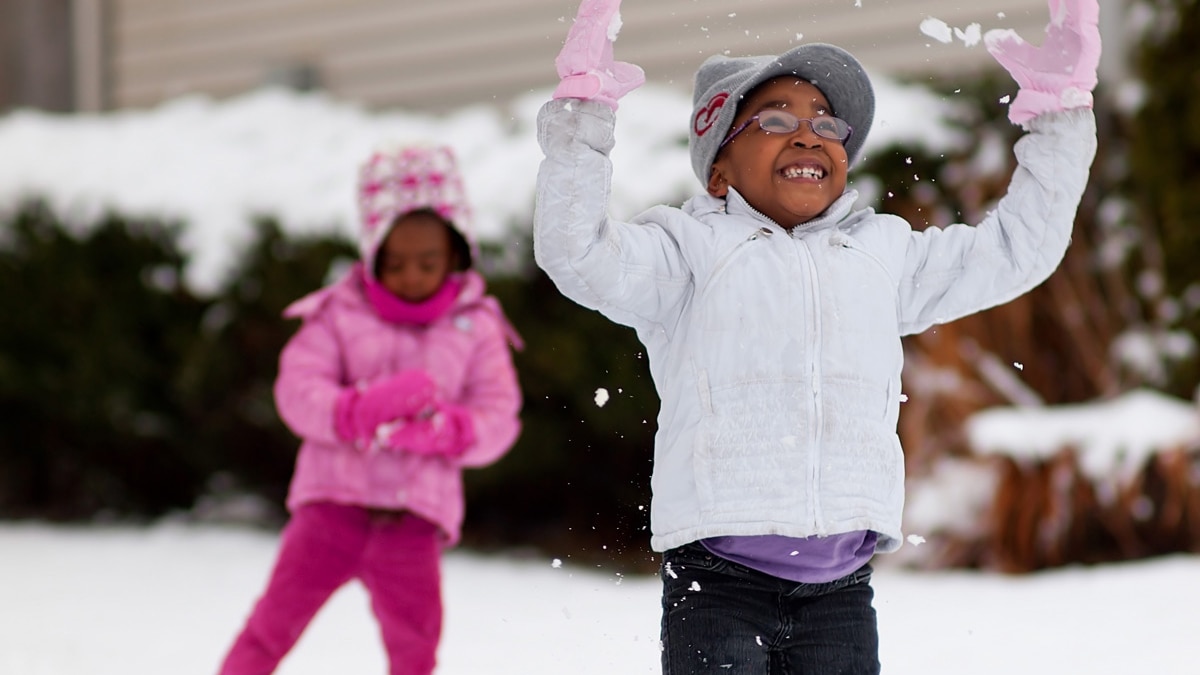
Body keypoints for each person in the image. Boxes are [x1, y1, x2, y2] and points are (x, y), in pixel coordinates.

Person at [534, 0, 1099, 672]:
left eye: (827, 124)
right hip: (716, 582)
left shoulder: (885, 256)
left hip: (841, 592)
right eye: (774, 120)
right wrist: (582, 113)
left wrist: (1061, 113)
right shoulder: (686, 254)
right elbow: (576, 251)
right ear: (719, 168)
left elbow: (1017, 250)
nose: (808, 135)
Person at [218, 144, 523, 675]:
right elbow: (297, 388)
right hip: (329, 512)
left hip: (413, 523)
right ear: (372, 252)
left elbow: (499, 414)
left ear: (457, 253)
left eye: (427, 262)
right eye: (395, 262)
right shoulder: (337, 313)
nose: (411, 276)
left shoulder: (477, 326)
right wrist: (351, 412)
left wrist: (450, 431)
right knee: (271, 627)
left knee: (415, 651)